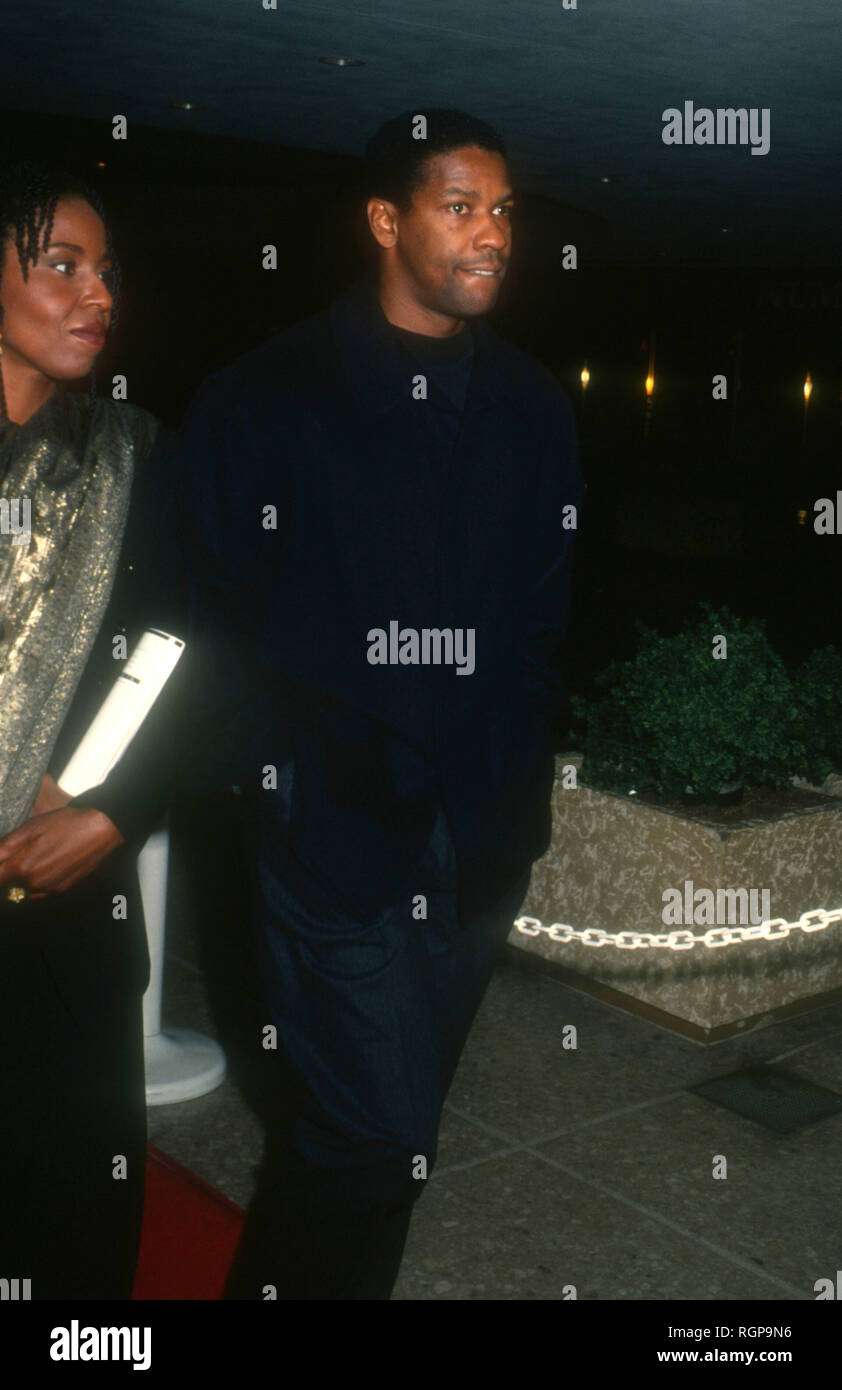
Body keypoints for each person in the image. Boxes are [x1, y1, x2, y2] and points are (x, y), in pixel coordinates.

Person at [0, 160, 171, 1299]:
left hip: (57, 906)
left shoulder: (131, 460)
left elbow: (176, 662)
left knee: (72, 1220)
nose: (95, 294)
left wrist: (109, 805)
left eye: (105, 271)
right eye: (60, 265)